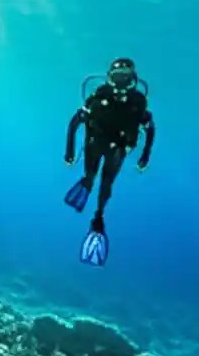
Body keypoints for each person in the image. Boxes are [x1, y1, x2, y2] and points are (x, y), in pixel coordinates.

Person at [63, 57, 155, 266]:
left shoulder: (138, 102)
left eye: (125, 79)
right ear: (110, 78)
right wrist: (69, 151)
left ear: (133, 79)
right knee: (92, 176)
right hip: (96, 143)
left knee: (106, 183)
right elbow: (75, 122)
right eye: (117, 78)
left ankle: (98, 216)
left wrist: (145, 155)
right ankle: (88, 183)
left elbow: (150, 129)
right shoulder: (100, 95)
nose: (121, 84)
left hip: (118, 148)